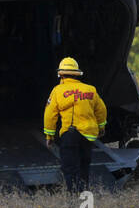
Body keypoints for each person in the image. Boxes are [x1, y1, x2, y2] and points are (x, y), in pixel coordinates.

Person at [43, 57, 107, 193]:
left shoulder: (57, 91)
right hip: (88, 136)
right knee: (84, 166)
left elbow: (50, 115)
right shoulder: (91, 90)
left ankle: (74, 196)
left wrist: (50, 136)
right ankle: (83, 194)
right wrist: (101, 128)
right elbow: (101, 110)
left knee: (70, 168)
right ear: (77, 74)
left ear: (60, 74)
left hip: (70, 135)